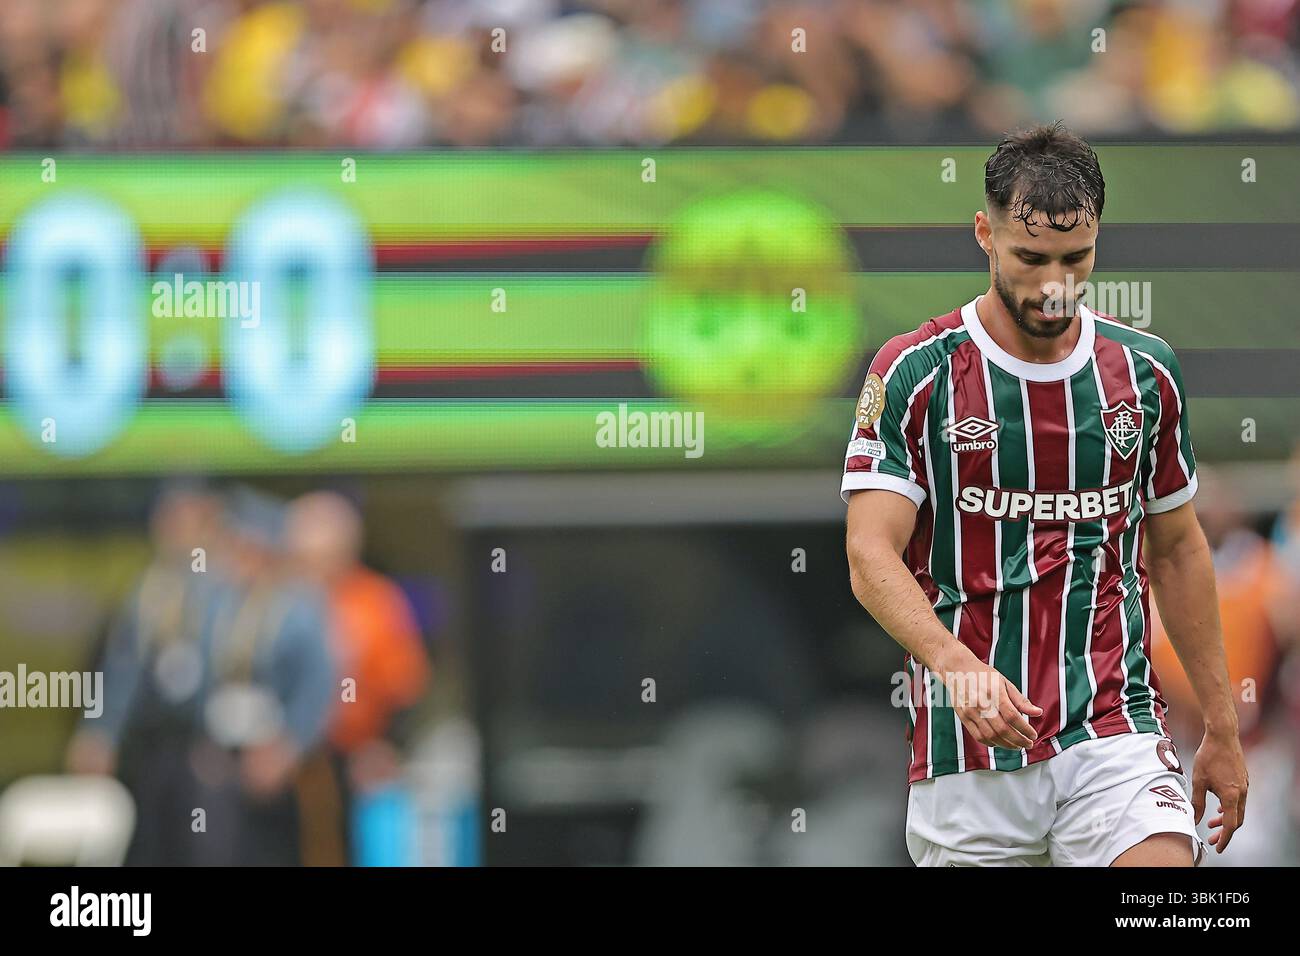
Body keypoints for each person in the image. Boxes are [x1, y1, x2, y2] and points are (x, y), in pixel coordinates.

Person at [843, 122, 1247, 867]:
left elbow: (1180, 546)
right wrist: (956, 665)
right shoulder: (916, 373)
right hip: (967, 750)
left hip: (1112, 725)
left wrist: (1221, 722)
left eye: (1075, 258)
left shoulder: (1145, 372)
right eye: (1031, 257)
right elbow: (870, 554)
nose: (1053, 282)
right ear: (984, 235)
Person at [284, 491, 430, 865]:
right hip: (285, 766)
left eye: (324, 558)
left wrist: (387, 746)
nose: (315, 571)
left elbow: (405, 687)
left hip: (354, 762)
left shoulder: (375, 602)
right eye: (303, 559)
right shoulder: (276, 603)